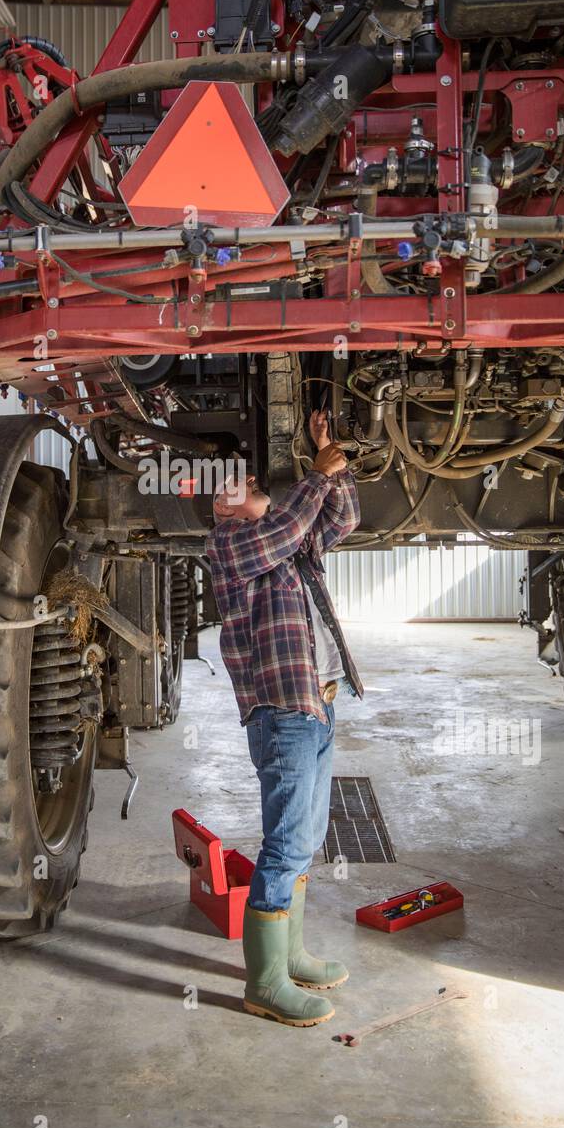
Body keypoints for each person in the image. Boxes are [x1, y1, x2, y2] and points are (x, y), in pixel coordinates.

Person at [206, 411, 362, 1026]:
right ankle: (264, 982)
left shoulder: (291, 545)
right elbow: (293, 522)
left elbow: (340, 520)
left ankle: (291, 956)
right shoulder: (233, 545)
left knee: (306, 840)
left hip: (318, 702)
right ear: (225, 507)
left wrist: (332, 459)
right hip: (283, 713)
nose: (249, 482)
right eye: (239, 485)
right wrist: (315, 475)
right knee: (287, 842)